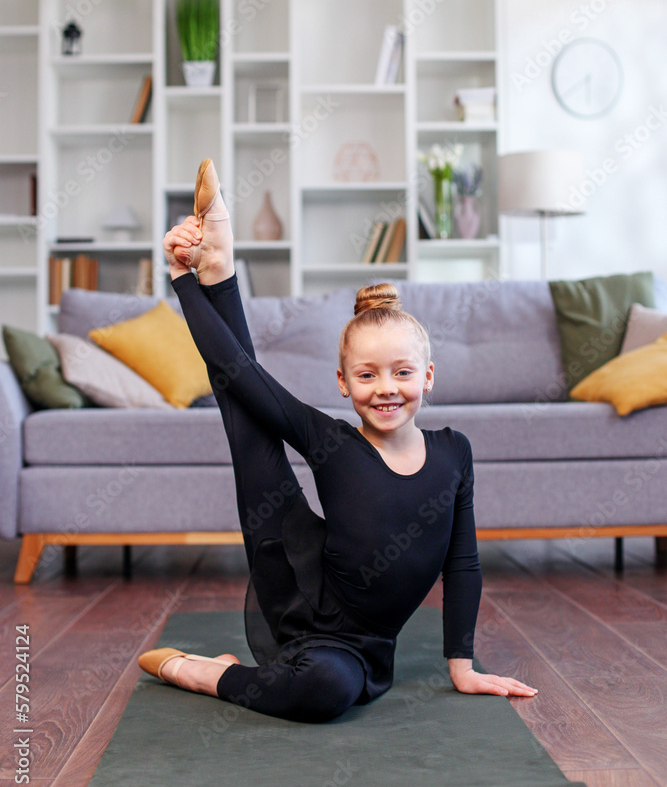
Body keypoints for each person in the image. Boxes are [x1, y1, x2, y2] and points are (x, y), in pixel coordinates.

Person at [138, 159, 538, 722]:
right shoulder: (332, 440)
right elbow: (236, 370)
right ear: (343, 383)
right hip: (300, 590)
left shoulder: (455, 453)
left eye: (402, 372)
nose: (386, 390)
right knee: (247, 412)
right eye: (367, 375)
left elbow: (463, 562)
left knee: (329, 688)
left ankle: (213, 670)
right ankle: (215, 268)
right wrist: (180, 279)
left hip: (360, 649)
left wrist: (463, 664)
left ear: (427, 376)